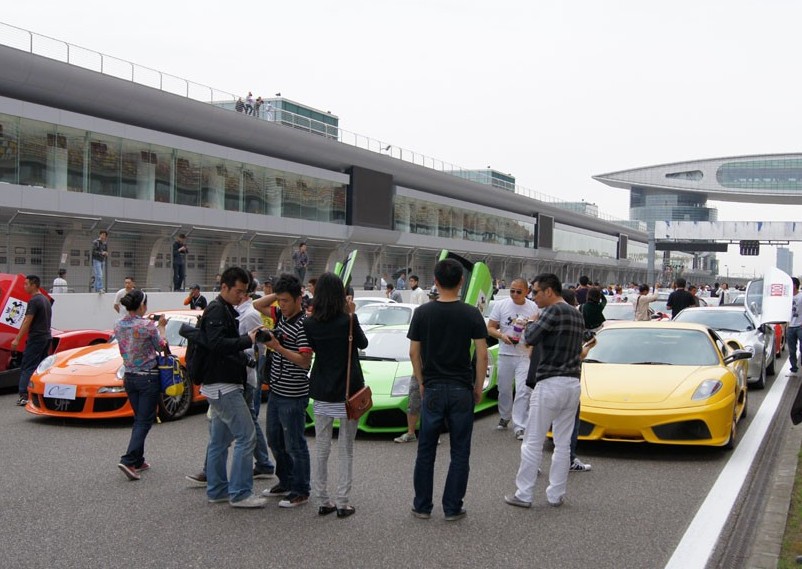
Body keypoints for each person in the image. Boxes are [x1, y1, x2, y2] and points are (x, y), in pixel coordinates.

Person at [408, 258, 488, 522]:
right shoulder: (471, 313)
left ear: (436, 281)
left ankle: (422, 506)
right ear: (461, 282)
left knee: (426, 449)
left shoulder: (422, 313)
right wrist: (478, 387)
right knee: (460, 450)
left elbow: (413, 352)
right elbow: (482, 354)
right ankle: (452, 507)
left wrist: (421, 381)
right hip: (461, 388)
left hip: (431, 386)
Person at [504, 273, 586, 509]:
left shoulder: (552, 311)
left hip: (550, 382)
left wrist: (533, 319)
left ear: (549, 291)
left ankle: (524, 493)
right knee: (563, 443)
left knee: (532, 440)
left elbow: (529, 337)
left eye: (536, 292)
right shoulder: (576, 314)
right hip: (572, 383)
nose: (533, 297)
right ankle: (556, 494)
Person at [200, 266, 268, 508]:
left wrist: (246, 356)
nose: (242, 296)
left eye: (245, 292)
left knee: (220, 441)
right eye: (238, 291)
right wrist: (248, 340)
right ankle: (240, 493)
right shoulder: (218, 310)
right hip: (224, 385)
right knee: (246, 435)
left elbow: (221, 347)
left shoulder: (222, 309)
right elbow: (218, 344)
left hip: (218, 384)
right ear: (224, 287)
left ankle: (217, 490)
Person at [303, 272, 369, 518]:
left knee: (321, 448)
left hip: (322, 389)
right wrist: (352, 314)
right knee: (346, 448)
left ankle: (322, 499)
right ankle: (342, 501)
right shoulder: (347, 320)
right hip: (348, 391)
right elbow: (362, 344)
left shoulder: (309, 323)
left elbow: (313, 350)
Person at [257, 273, 313, 508]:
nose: (282, 305)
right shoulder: (280, 315)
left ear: (299, 298)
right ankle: (286, 481)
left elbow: (304, 361)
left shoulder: (304, 324)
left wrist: (277, 347)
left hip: (294, 393)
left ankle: (301, 489)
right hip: (276, 390)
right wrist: (279, 291)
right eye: (279, 300)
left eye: (286, 300)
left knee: (294, 443)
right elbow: (256, 304)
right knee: (275, 440)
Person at [114, 290, 167, 480]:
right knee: (144, 420)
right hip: (148, 376)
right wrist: (161, 327)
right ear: (143, 305)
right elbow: (162, 346)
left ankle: (138, 459)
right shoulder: (148, 326)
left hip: (129, 376)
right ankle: (128, 460)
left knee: (139, 419)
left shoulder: (118, 325)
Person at [487, 277, 540, 440]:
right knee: (503, 388)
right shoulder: (501, 305)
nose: (515, 294)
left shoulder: (533, 307)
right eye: (512, 291)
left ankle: (520, 425)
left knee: (523, 390)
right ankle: (504, 416)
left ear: (526, 291)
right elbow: (490, 328)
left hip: (524, 354)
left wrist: (531, 348)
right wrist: (502, 336)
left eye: (518, 291)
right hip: (505, 353)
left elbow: (537, 331)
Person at [236, 278, 275, 480]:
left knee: (247, 418)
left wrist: (256, 368)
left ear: (245, 293)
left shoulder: (250, 314)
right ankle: (264, 463)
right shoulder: (238, 312)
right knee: (248, 418)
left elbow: (258, 347)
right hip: (239, 373)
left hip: (247, 370)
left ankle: (264, 463)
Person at [13, 275, 52, 406]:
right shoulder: (45, 300)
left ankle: (23, 395)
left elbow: (27, 320)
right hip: (46, 337)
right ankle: (41, 392)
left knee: (27, 366)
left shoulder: (34, 301)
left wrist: (17, 339)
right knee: (41, 366)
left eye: (26, 284)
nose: (24, 286)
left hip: (36, 337)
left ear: (34, 285)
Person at [788, 277, 802, 375]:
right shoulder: (787, 298)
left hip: (800, 325)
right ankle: (793, 367)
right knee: (792, 349)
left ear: (795, 285)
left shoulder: (801, 296)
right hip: (790, 326)